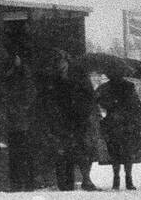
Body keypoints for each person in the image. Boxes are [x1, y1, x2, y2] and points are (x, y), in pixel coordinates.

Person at [41, 50, 101, 191]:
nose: (59, 65)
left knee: (82, 150)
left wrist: (84, 110)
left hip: (78, 119)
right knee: (65, 151)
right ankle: (67, 181)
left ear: (66, 61)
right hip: (64, 120)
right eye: (57, 62)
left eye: (61, 61)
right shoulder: (55, 80)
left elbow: (89, 96)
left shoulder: (78, 77)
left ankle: (85, 178)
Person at [97, 70, 141, 190]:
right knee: (128, 152)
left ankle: (116, 179)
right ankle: (129, 179)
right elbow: (136, 103)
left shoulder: (104, 88)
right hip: (128, 124)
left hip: (112, 123)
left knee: (114, 152)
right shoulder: (129, 86)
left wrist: (110, 106)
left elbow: (99, 101)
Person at [1, 51, 37, 190]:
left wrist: (19, 108)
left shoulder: (19, 76)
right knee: (21, 152)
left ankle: (21, 181)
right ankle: (24, 181)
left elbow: (29, 94)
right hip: (19, 120)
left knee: (19, 152)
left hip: (19, 120)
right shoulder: (19, 76)